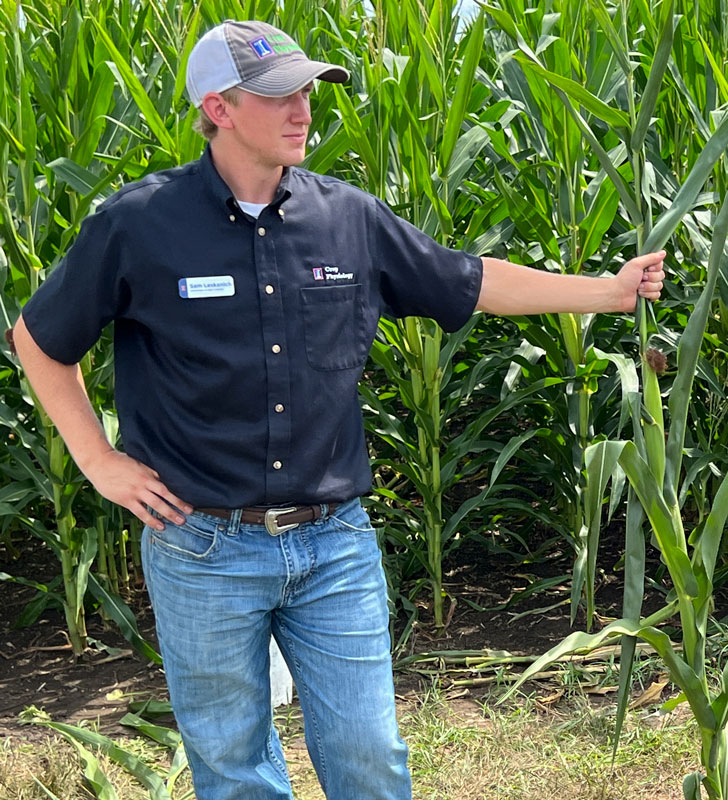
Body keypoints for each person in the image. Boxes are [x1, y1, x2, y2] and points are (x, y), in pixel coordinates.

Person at [10, 20, 664, 800]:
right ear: (218, 107)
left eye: (309, 90)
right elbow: (38, 338)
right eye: (280, 93)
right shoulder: (138, 224)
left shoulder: (345, 216)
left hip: (333, 545)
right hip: (201, 547)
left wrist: (610, 292)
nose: (304, 108)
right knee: (234, 770)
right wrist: (98, 459)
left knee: (369, 758)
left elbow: (469, 280)